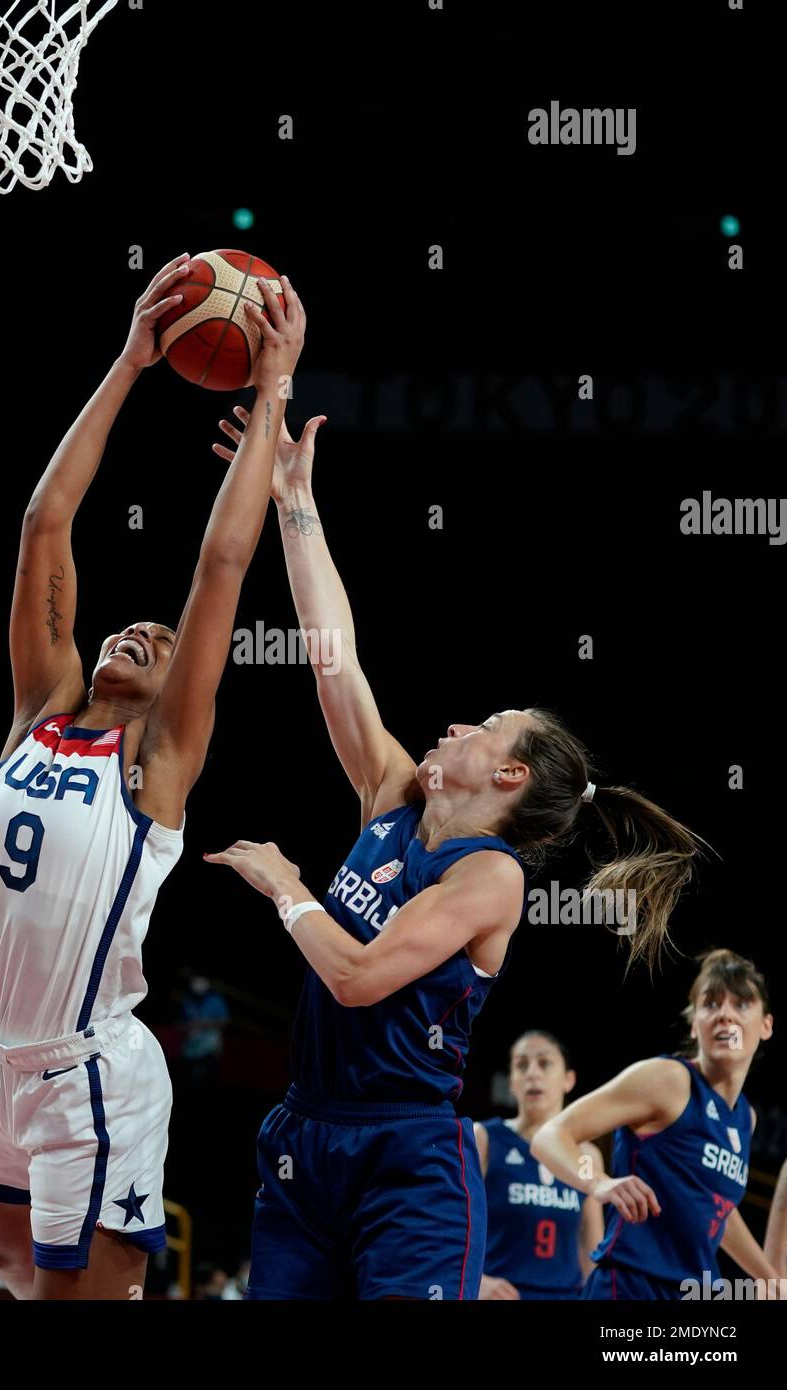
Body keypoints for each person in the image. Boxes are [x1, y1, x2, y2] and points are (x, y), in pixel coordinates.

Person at [203, 405, 705, 1300]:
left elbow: (357, 977)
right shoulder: (392, 794)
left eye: (486, 724)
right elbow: (331, 659)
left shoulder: (491, 878)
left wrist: (286, 886)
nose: (458, 722)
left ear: (509, 774)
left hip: (408, 1157)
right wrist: (292, 498)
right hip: (305, 1134)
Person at [0, 257, 306, 1300]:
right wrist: (131, 361)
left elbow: (218, 570)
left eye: (159, 637)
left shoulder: (153, 767)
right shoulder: (38, 714)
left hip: (83, 1078)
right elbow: (41, 526)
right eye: (130, 624)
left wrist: (272, 386)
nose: (144, 629)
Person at [532, 948, 779, 1299]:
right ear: (695, 1024)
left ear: (766, 1025)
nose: (725, 1015)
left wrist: (768, 1277)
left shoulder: (745, 1118)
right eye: (710, 1004)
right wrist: (598, 1183)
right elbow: (550, 1136)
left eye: (741, 1004)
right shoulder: (669, 1080)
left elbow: (715, 1206)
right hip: (632, 1285)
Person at [476, 1031, 603, 1300]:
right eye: (521, 1065)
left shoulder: (586, 1155)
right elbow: (451, 1225)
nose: (532, 1073)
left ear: (569, 1080)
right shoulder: (484, 1138)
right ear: (512, 1082)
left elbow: (593, 1249)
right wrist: (476, 1281)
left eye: (544, 1063)